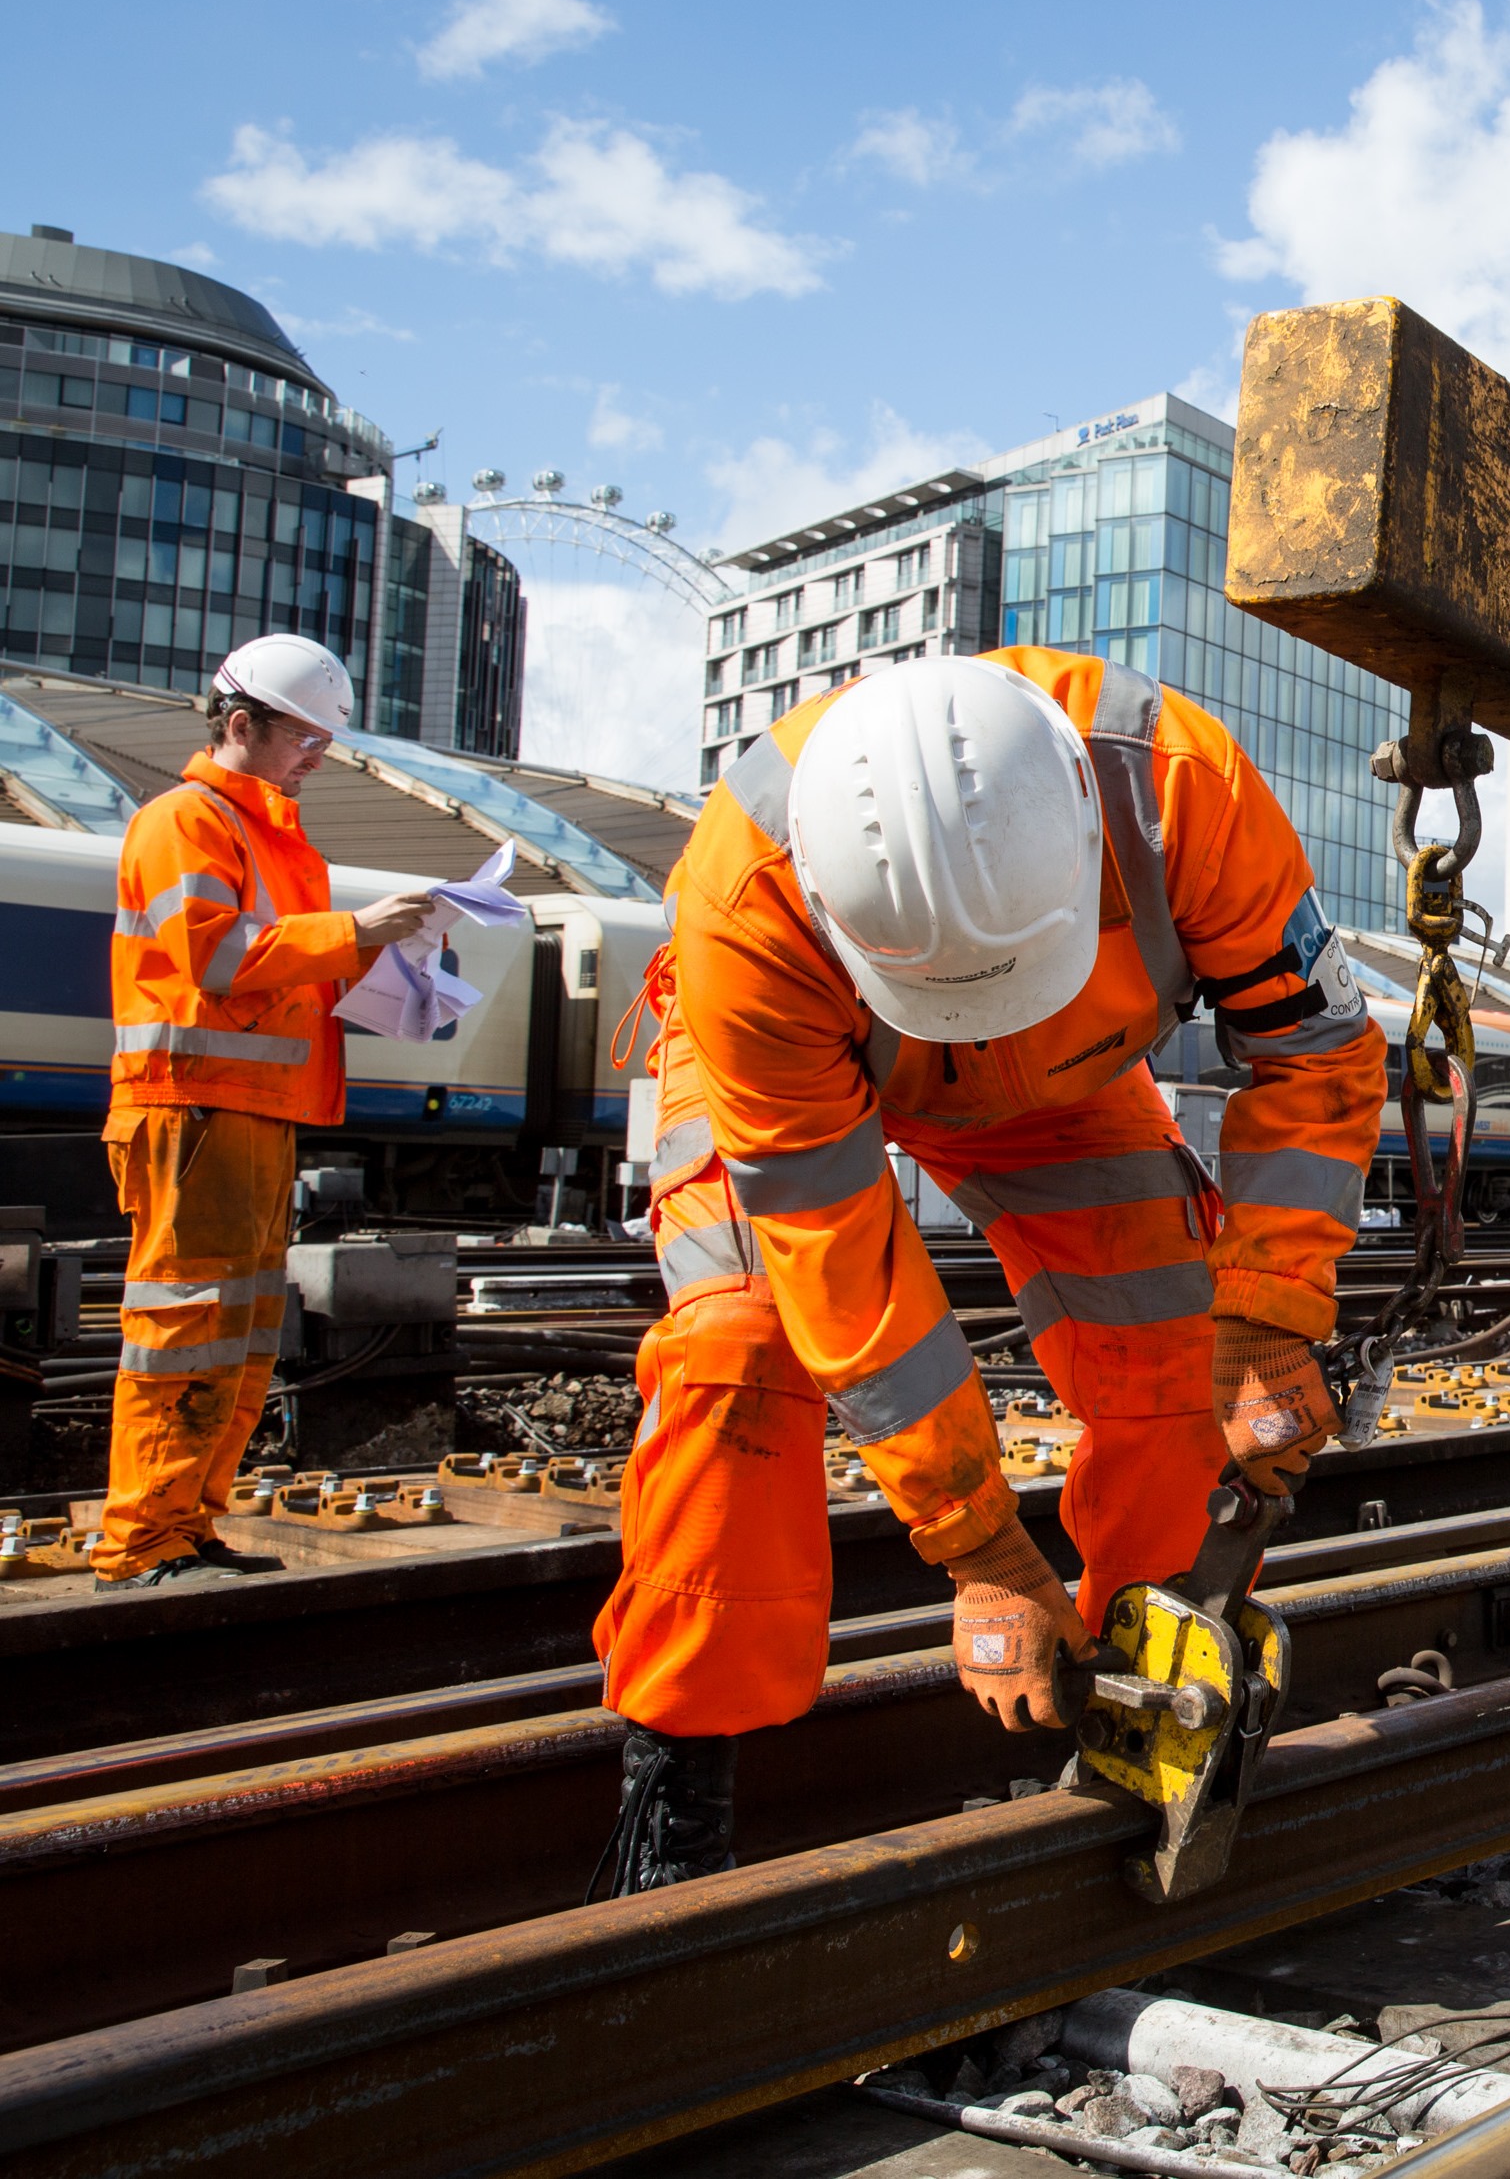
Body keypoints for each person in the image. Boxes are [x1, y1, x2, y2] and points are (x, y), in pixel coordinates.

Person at [588, 649, 1381, 1894]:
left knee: (1179, 1369)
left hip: (1070, 1075)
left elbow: (1315, 1058)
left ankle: (1150, 1714)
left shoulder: (1183, 793)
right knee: (734, 1355)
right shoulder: (746, 910)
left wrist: (1272, 1311)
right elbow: (843, 1264)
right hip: (798, 1070)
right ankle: (675, 1797)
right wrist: (978, 1548)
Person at [97, 636, 435, 1589]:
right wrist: (354, 933)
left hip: (248, 1111)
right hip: (194, 1109)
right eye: (306, 738)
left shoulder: (272, 838)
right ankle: (143, 1541)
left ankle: (188, 1523)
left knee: (237, 1337)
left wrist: (388, 973)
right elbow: (212, 958)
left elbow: (281, 972)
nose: (316, 758)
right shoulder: (185, 822)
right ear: (239, 725)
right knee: (185, 1325)